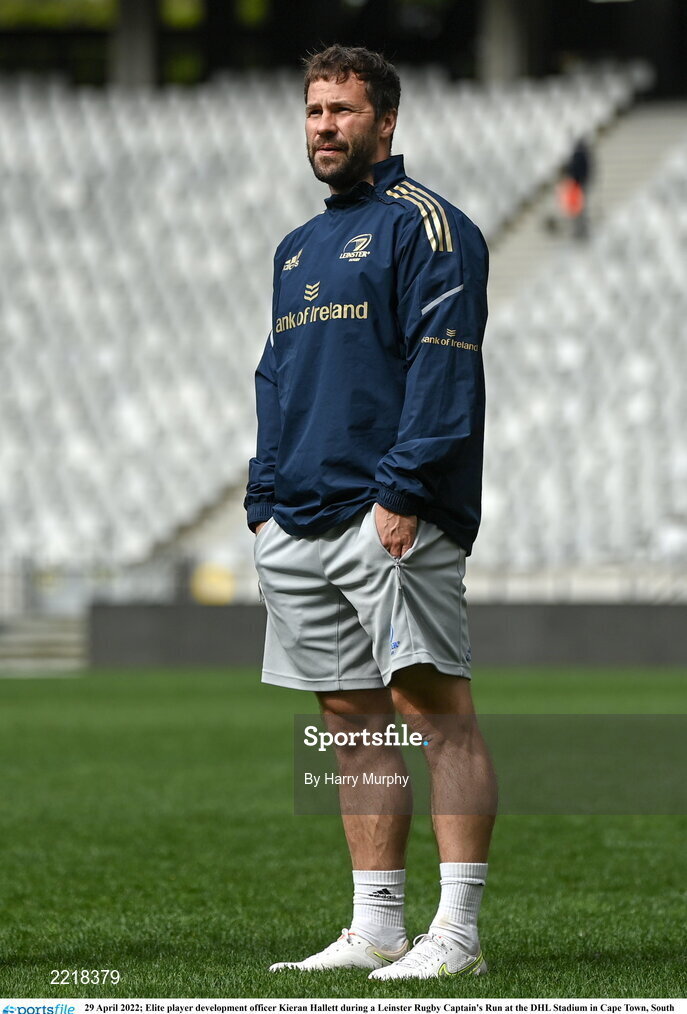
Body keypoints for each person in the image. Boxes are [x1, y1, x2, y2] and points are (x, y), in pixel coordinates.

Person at [244, 45, 496, 981]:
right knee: (352, 730)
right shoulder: (295, 247)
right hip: (297, 520)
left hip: (388, 515)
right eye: (314, 110)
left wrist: (402, 492)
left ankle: (457, 936)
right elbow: (275, 377)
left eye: (343, 110)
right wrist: (262, 501)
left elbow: (442, 364)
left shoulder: (429, 225)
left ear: (384, 121)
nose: (324, 126)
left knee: (437, 717)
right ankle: (377, 928)